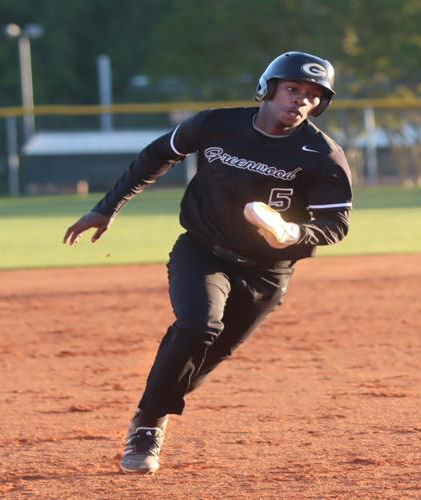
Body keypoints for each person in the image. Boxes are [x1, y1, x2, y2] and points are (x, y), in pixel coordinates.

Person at [62, 51, 354, 474]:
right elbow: (157, 155)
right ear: (269, 89)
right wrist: (108, 207)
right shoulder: (217, 124)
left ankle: (158, 400)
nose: (300, 102)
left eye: (312, 97)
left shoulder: (322, 155)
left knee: (206, 355)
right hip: (202, 250)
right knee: (199, 325)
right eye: (292, 89)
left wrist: (295, 234)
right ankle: (148, 426)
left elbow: (335, 223)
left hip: (267, 272)